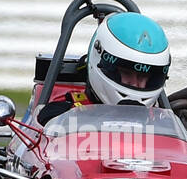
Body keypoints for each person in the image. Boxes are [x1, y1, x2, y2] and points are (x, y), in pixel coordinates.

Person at [38, 12, 171, 123]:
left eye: (143, 76)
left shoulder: (163, 121)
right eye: (126, 73)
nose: (135, 84)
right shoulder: (59, 117)